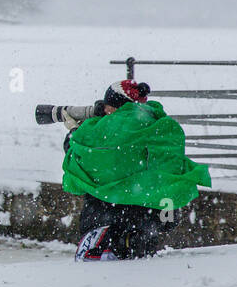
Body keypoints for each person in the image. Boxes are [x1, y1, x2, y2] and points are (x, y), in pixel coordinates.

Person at [60, 79, 212, 260]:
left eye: (108, 107)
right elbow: (168, 183)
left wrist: (74, 132)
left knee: (96, 282)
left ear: (117, 107)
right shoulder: (160, 128)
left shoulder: (106, 134)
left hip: (103, 234)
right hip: (145, 233)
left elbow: (81, 156)